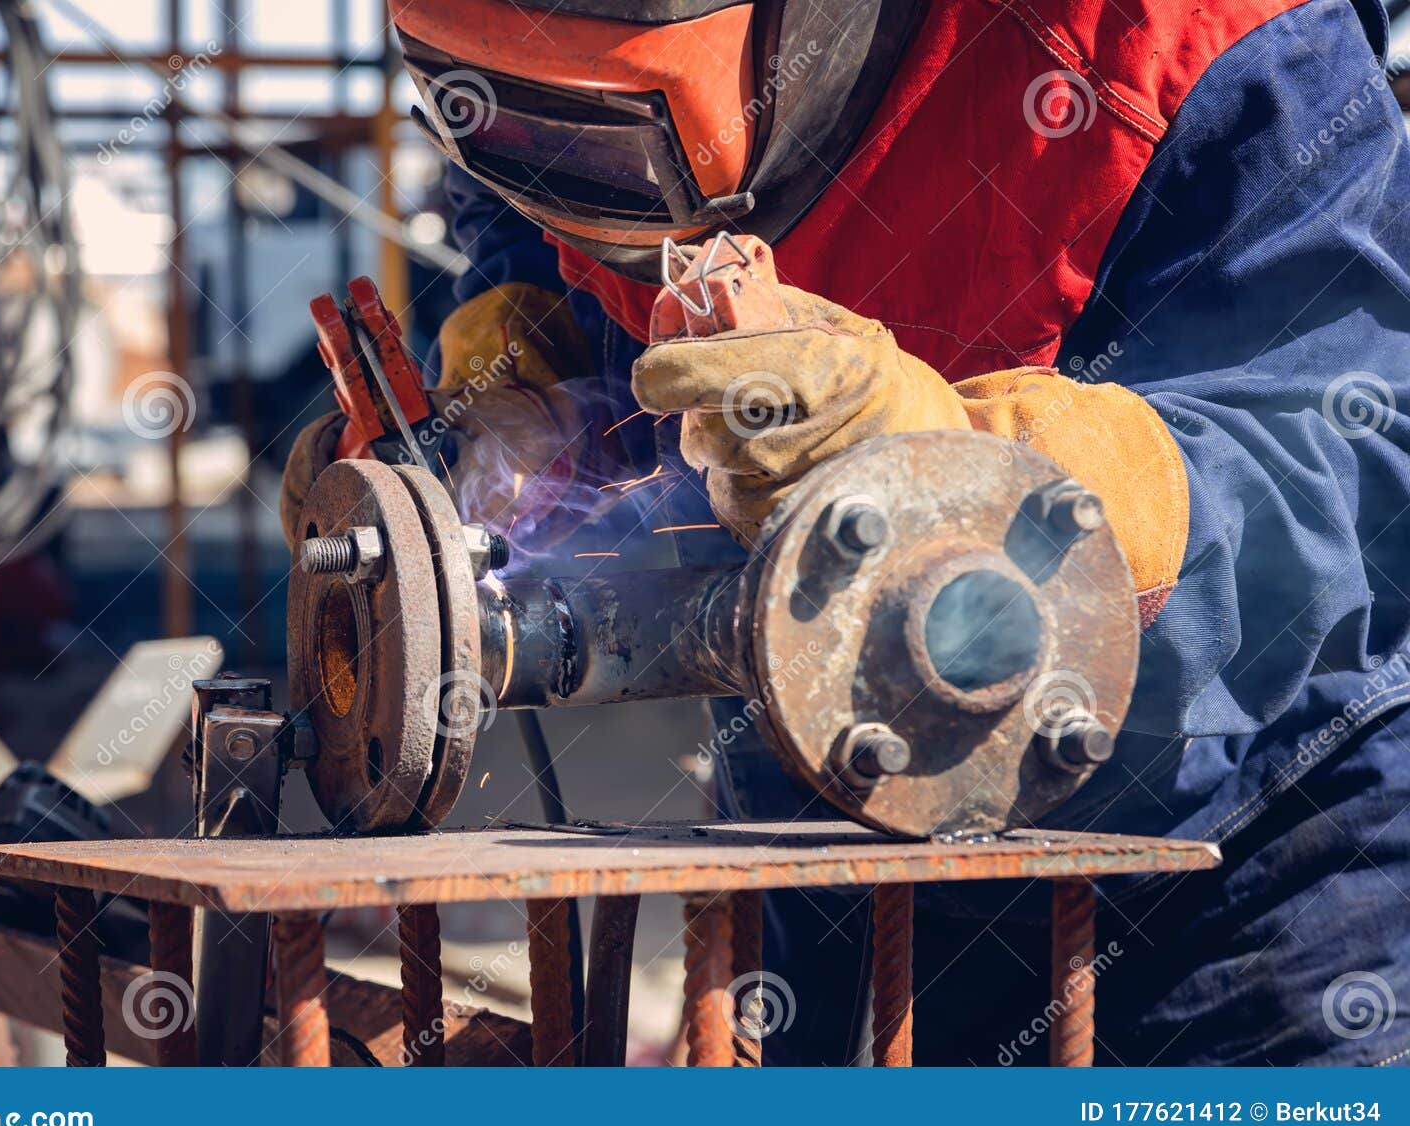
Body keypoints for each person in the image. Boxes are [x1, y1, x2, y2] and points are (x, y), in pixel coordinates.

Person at [284, 0, 1410, 1065]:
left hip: (1230, 876)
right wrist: (541, 387)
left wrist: (968, 476)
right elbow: (534, 229)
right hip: (811, 830)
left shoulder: (1199, 34)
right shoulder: (518, 61)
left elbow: (1348, 470)